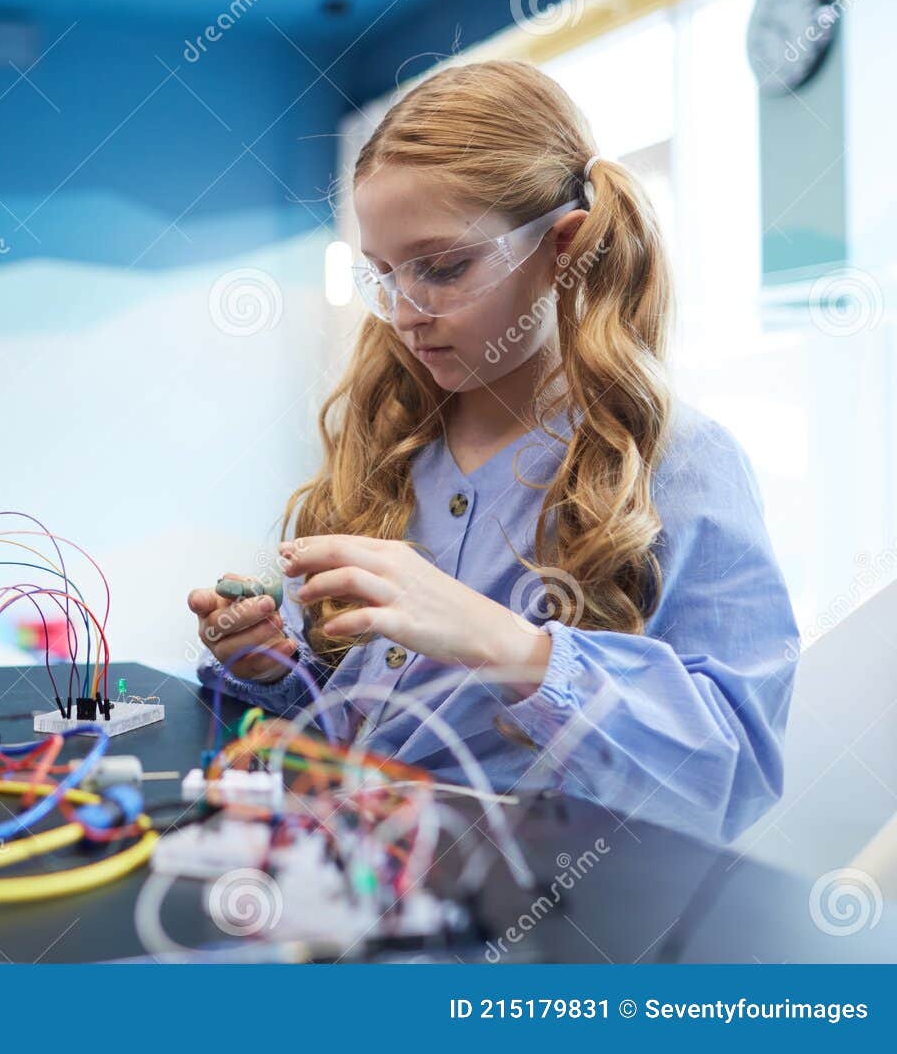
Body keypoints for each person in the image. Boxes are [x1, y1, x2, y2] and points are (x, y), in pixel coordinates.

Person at [189, 60, 796, 843]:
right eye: (384, 276)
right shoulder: (395, 452)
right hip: (369, 874)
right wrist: (276, 667)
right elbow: (365, 732)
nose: (406, 313)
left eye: (444, 268)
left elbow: (733, 774)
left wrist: (511, 646)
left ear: (563, 249)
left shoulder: (674, 462)